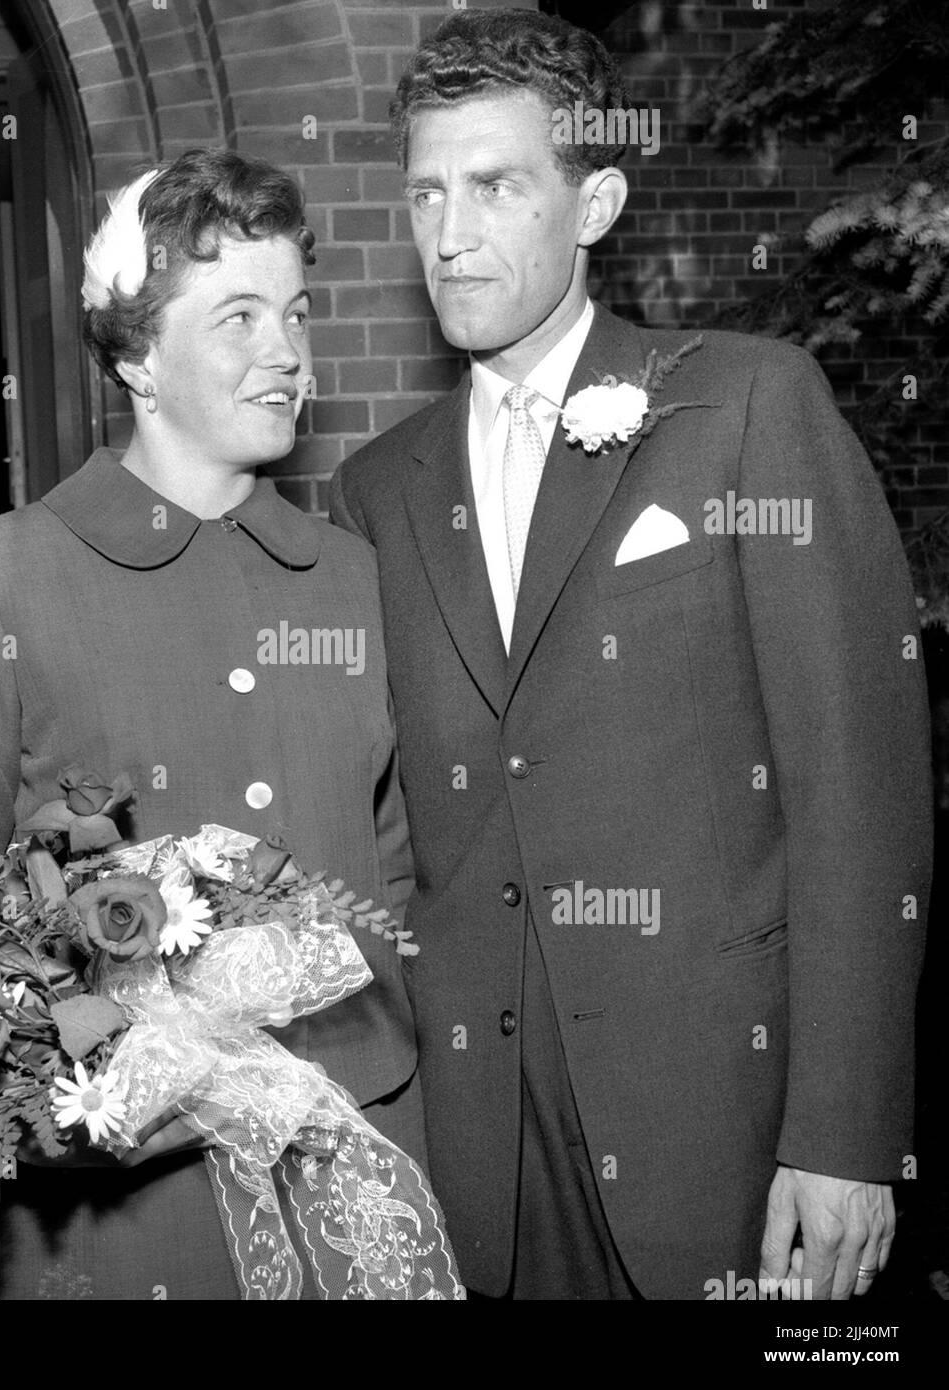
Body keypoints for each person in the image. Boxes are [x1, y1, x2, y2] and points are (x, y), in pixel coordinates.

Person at [329, 8, 931, 1300]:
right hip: (477, 1166)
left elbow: (858, 797)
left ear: (595, 200)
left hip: (721, 1138)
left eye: (495, 186)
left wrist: (847, 1135)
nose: (449, 233)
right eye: (426, 192)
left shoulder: (747, 406)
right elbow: (385, 838)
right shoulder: (375, 491)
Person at [0, 148, 424, 1299]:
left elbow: (393, 872)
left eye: (294, 311)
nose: (285, 351)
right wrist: (111, 1074)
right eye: (236, 316)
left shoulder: (353, 577)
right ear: (136, 352)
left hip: (358, 1152)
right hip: (132, 1202)